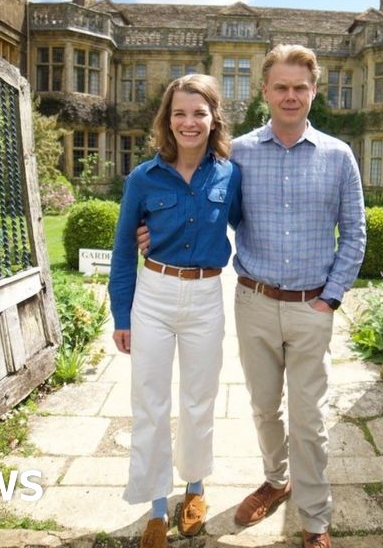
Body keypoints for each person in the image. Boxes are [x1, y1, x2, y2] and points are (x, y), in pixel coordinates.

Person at [139, 44, 366, 548]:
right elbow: (208, 212)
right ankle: (276, 480)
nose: (290, 95)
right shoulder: (236, 154)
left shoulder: (338, 155)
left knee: (310, 420)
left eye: (299, 87)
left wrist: (330, 298)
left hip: (313, 306)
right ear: (265, 90)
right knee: (265, 409)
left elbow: (355, 234)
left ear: (313, 90)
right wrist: (158, 231)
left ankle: (315, 520)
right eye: (280, 86)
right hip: (254, 302)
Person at [108, 73, 241, 548]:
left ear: (213, 119)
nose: (189, 122)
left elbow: (250, 228)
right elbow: (125, 250)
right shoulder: (143, 178)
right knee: (150, 402)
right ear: (167, 119)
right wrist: (121, 316)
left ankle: (196, 488)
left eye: (199, 113)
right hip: (155, 297)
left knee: (199, 399)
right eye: (179, 113)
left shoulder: (230, 174)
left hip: (206, 297)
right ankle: (156, 505)